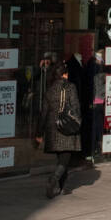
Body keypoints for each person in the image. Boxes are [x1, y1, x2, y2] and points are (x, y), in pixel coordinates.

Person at [35, 60, 82, 198]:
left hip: (53, 128)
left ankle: (62, 187)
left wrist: (39, 132)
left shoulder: (50, 90)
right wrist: (78, 121)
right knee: (65, 158)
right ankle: (54, 179)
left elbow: (43, 113)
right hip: (66, 126)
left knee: (62, 159)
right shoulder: (70, 87)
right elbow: (76, 107)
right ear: (65, 74)